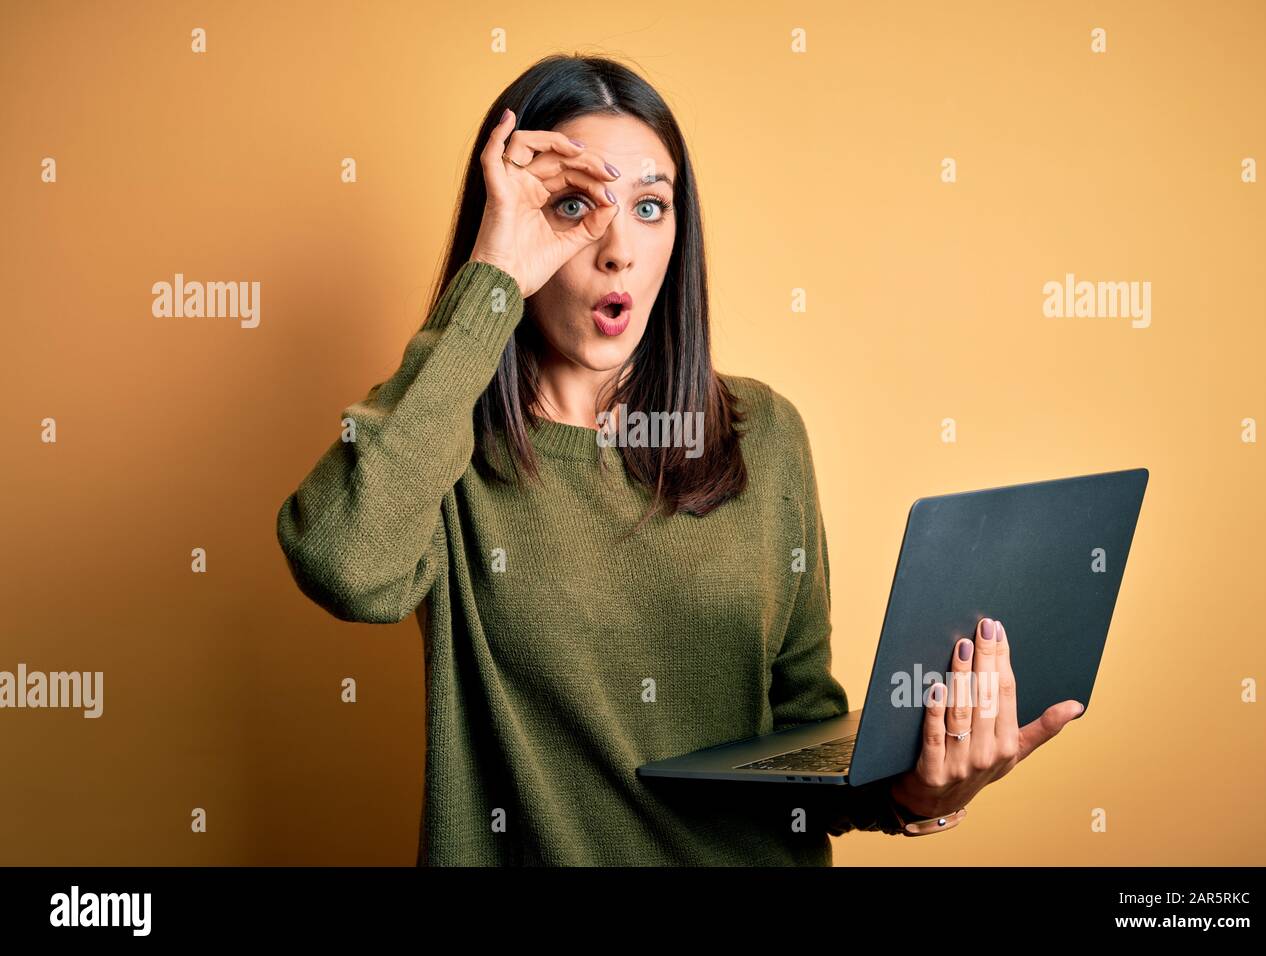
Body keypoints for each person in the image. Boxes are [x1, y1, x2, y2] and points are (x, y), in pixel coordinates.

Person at [275, 54, 1084, 865]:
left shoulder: (761, 432)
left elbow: (806, 739)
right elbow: (344, 559)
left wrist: (921, 793)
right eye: (573, 205)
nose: (618, 248)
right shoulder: (443, 447)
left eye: (651, 206)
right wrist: (492, 283)